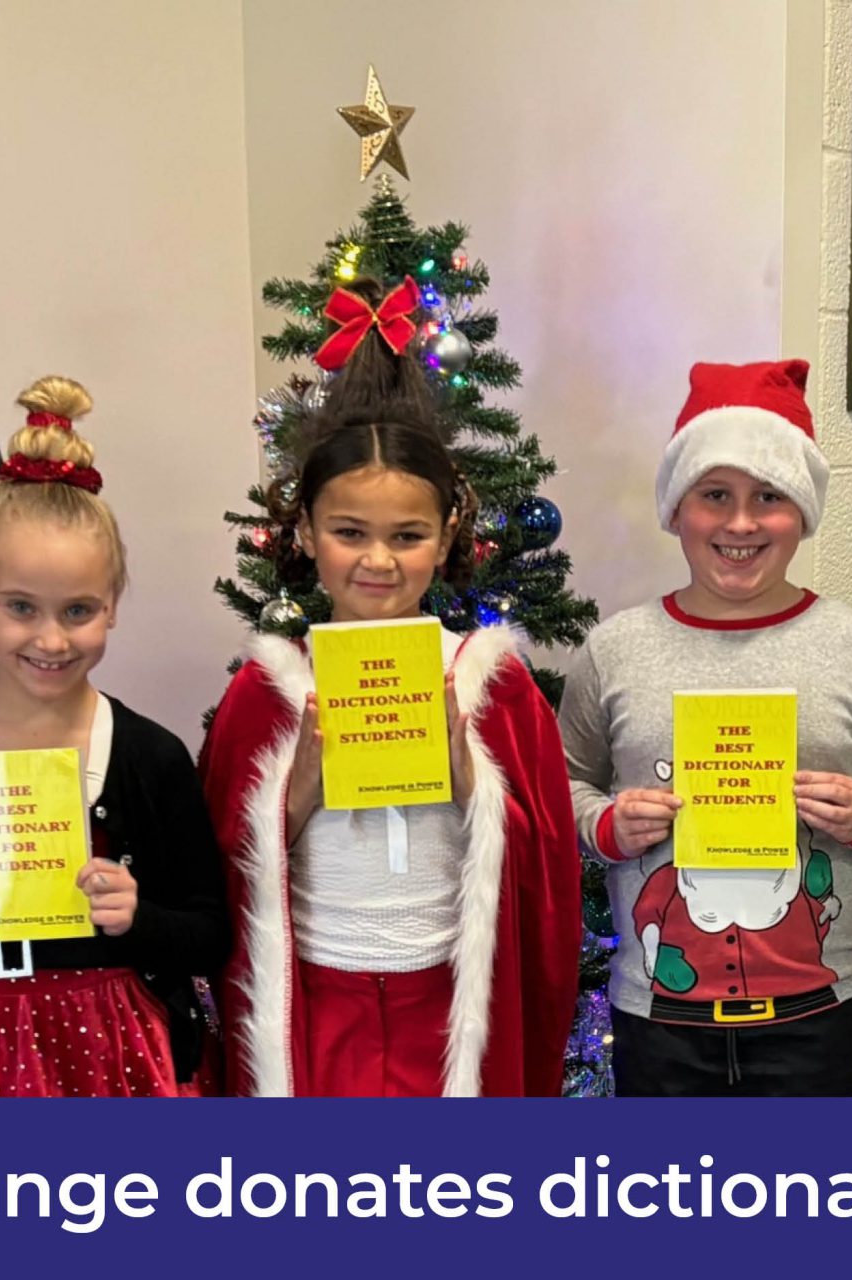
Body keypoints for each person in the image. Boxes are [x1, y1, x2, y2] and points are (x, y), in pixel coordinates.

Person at [202, 277, 580, 1096]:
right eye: (349, 533)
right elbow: (214, 872)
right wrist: (292, 795)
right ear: (305, 532)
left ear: (447, 537)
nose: (378, 560)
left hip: (446, 1003)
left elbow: (546, 876)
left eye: (407, 535)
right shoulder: (265, 693)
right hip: (316, 1003)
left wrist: (469, 777)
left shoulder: (496, 684)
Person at [558, 359, 852, 1096]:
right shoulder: (615, 651)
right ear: (676, 510)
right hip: (661, 1015)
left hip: (816, 1009)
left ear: (802, 511)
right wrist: (607, 825)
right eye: (714, 496)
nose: (740, 523)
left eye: (768, 496)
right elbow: (563, 786)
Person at [0, 378, 227, 1096]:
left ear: (113, 605)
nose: (51, 639)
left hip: (117, 1061)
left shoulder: (151, 757)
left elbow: (210, 932)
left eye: (79, 609)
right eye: (20, 607)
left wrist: (138, 919)